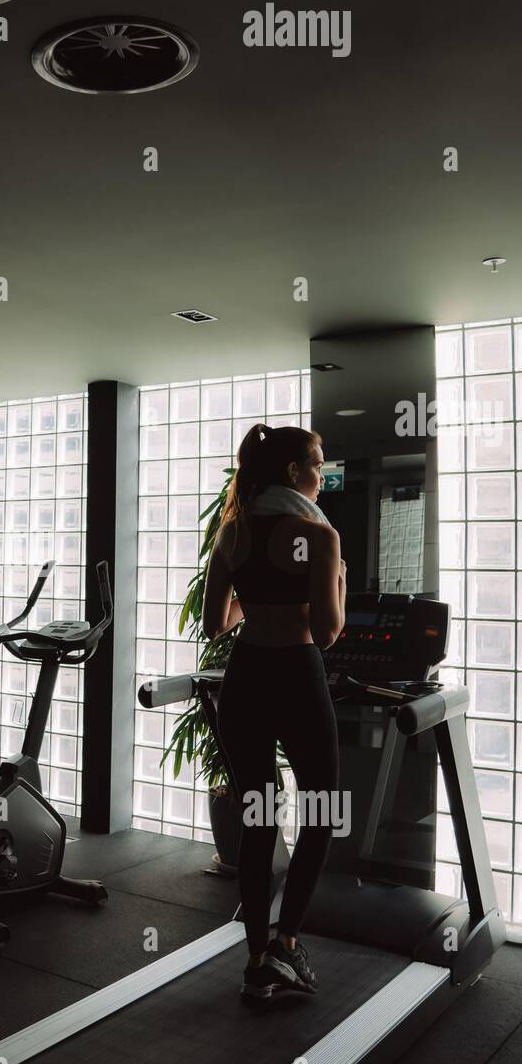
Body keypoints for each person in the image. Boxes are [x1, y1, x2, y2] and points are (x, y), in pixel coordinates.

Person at [202, 423, 345, 1002]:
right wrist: (330, 577)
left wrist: (252, 603)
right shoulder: (316, 534)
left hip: (247, 677)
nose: (321, 476)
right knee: (322, 808)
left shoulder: (231, 534)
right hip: (298, 676)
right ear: (294, 473)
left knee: (258, 817)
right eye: (317, 465)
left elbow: (216, 625)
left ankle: (257, 959)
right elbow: (330, 631)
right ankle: (288, 942)